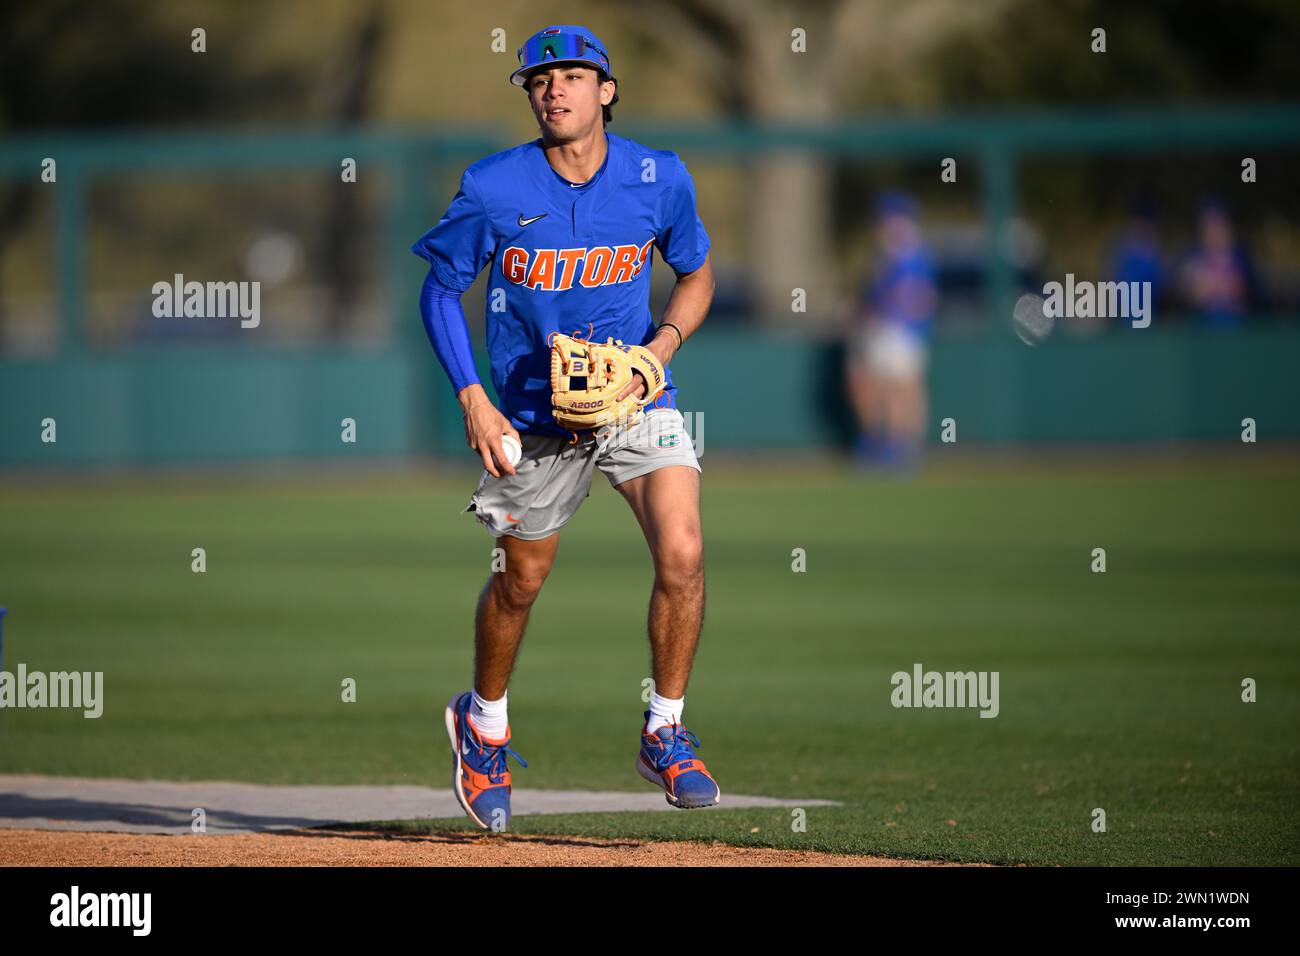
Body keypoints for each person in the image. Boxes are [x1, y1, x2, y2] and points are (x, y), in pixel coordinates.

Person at [411, 25, 719, 832]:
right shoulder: (492, 186)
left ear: (607, 91)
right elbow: (441, 291)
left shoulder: (660, 178)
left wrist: (659, 350)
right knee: (521, 582)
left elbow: (695, 273)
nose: (555, 89)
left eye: (574, 76)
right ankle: (483, 724)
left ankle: (665, 729)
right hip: (528, 415)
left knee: (683, 554)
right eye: (541, 79)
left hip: (631, 399)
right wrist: (472, 396)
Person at [844, 191, 937, 470]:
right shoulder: (885, 257)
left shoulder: (912, 255)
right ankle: (882, 444)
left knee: (903, 388)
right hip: (883, 330)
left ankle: (904, 447)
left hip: (904, 331)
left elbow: (917, 299)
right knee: (878, 385)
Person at [1180, 198, 1263, 328]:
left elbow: (1251, 292)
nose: (1214, 231)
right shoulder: (1192, 257)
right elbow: (1190, 295)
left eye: (1218, 224)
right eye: (1209, 226)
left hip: (1238, 330)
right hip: (1202, 331)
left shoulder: (1242, 258)